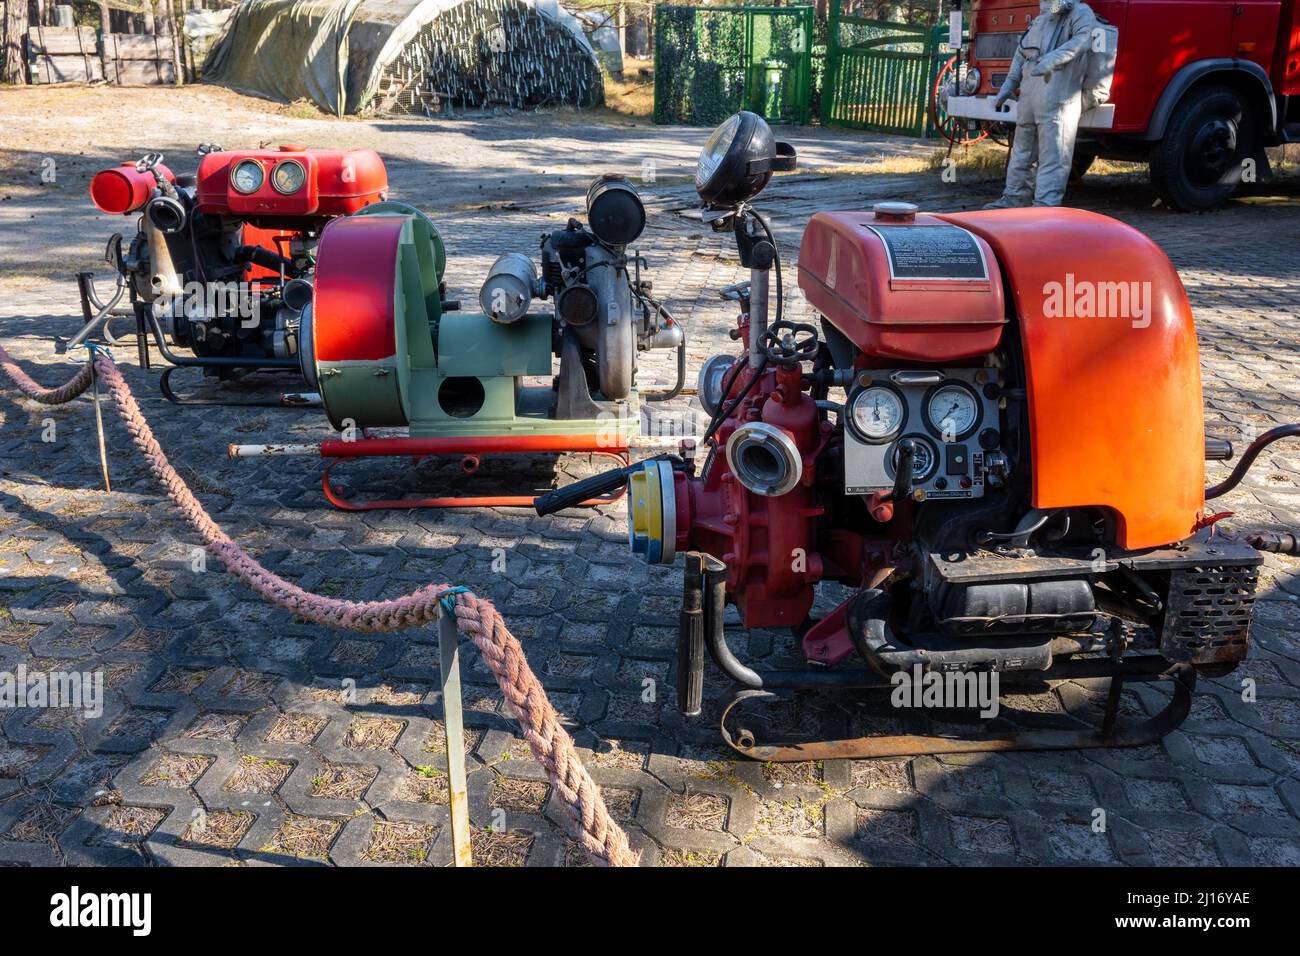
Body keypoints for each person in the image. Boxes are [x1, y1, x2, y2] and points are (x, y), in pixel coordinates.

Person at [985, 0, 1098, 208]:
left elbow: (1082, 41)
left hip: (1059, 95)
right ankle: (1014, 198)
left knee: (1054, 153)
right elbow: (1022, 51)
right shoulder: (1041, 20)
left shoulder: (1081, 14)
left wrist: (1053, 59)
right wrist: (1010, 82)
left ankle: (1046, 206)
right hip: (1030, 94)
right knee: (1022, 150)